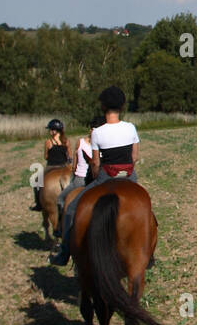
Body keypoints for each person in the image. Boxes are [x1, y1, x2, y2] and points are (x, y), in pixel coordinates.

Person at [50, 86, 140, 267]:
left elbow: (96, 164)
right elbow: (134, 157)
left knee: (71, 208)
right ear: (122, 106)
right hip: (129, 176)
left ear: (103, 107)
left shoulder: (98, 132)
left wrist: (99, 177)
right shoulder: (131, 128)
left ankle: (64, 252)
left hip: (106, 177)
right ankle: (148, 253)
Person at [54, 115, 104, 237]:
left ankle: (61, 229)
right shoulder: (103, 144)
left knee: (60, 199)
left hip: (80, 179)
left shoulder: (80, 142)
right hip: (97, 179)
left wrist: (75, 172)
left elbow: (75, 163)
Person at [31, 119, 69, 210]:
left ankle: (38, 204)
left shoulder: (48, 142)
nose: (50, 131)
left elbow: (46, 156)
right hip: (64, 166)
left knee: (36, 180)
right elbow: (69, 156)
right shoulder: (66, 141)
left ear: (54, 130)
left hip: (51, 166)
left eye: (51, 129)